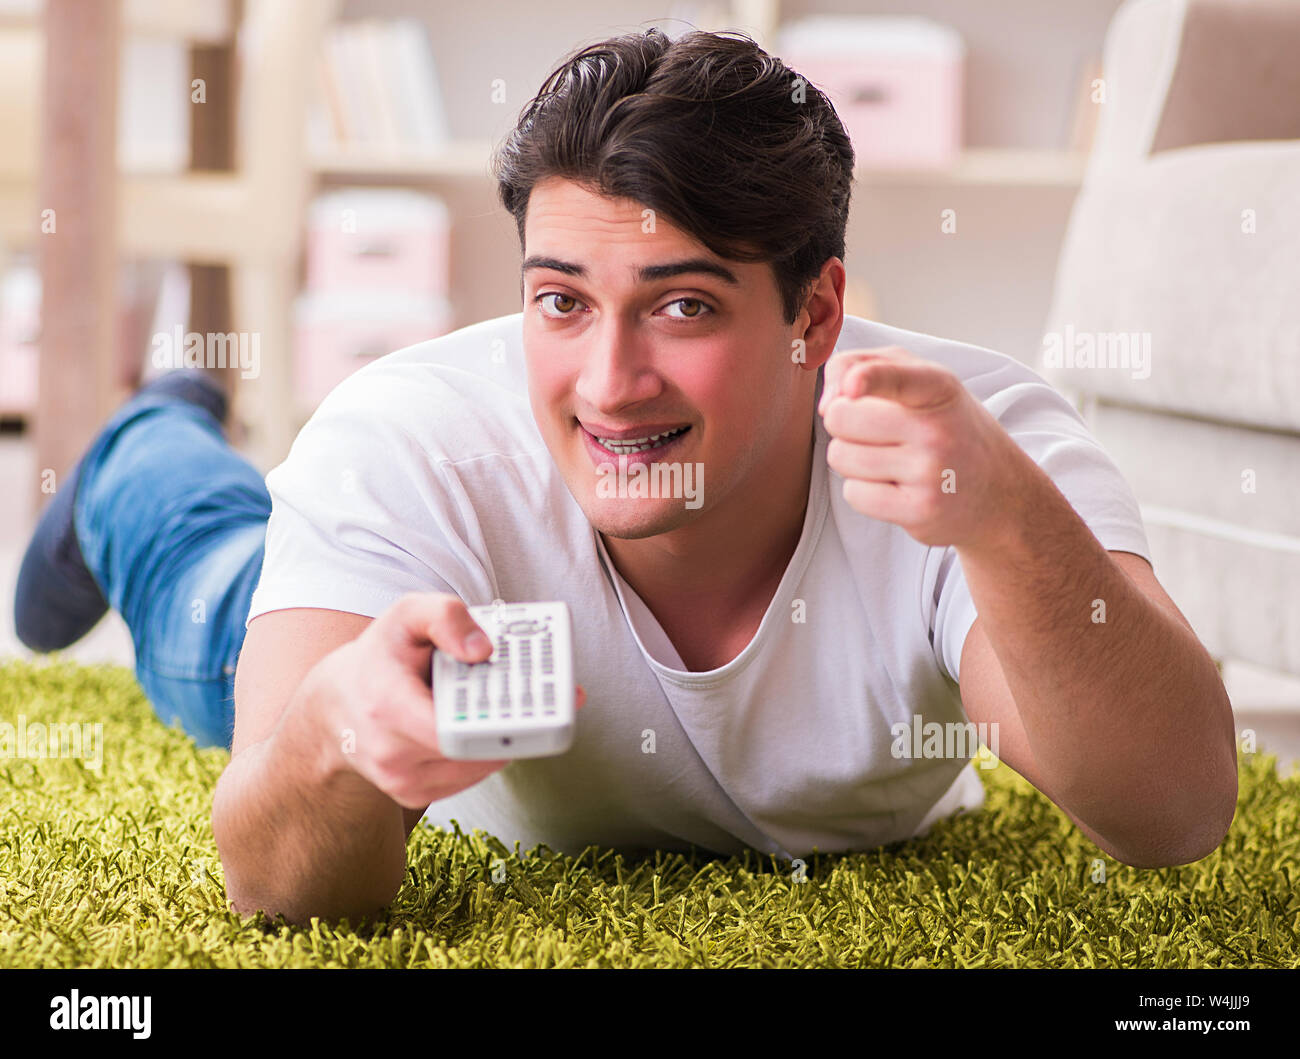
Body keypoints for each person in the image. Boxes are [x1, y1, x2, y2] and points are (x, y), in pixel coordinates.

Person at [14, 28, 1237, 927]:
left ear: (816, 311)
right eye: (560, 300)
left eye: (683, 307)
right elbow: (276, 887)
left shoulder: (971, 456)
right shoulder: (409, 438)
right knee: (214, 600)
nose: (609, 382)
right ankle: (143, 457)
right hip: (306, 601)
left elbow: (1172, 814)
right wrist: (337, 727)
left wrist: (1013, 525)